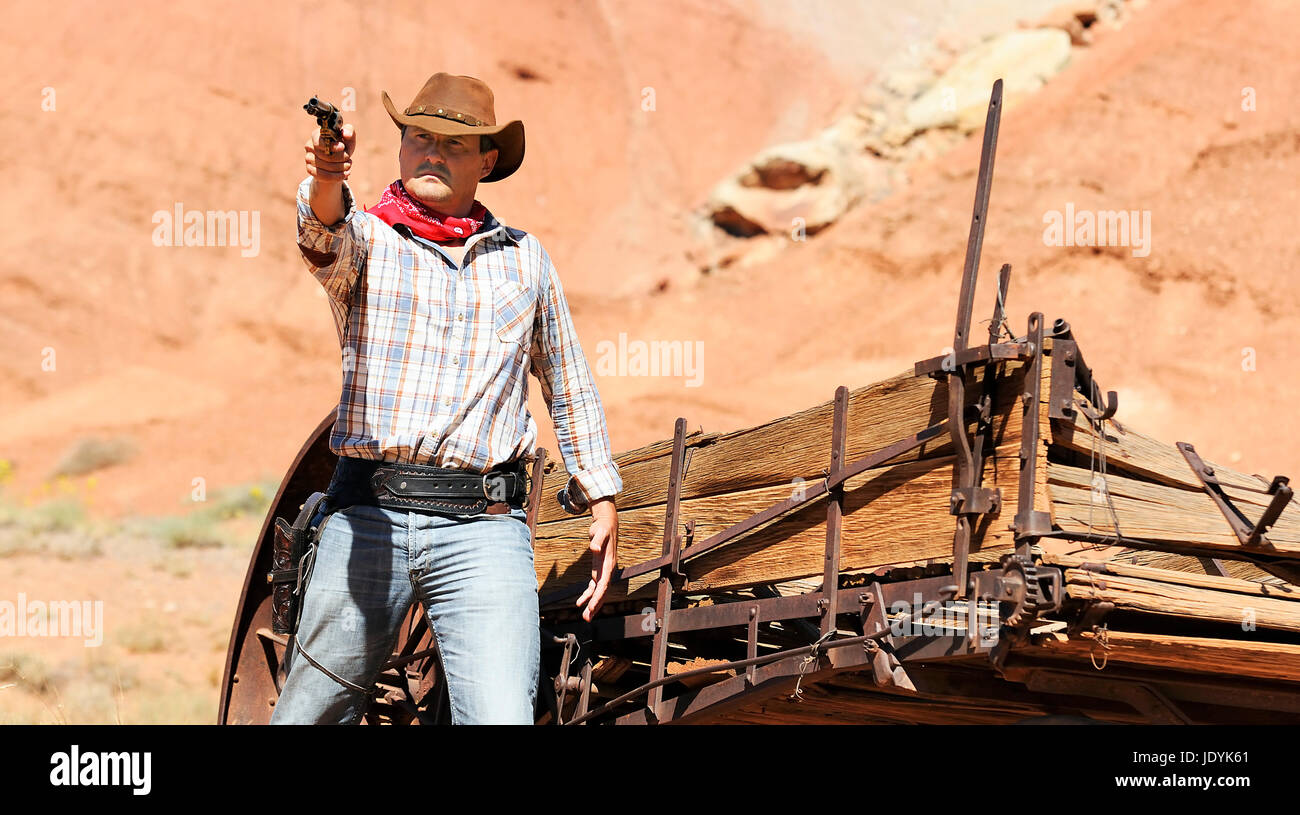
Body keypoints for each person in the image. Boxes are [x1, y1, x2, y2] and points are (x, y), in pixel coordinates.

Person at [270, 73, 621, 725]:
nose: (432, 153)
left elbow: (566, 376)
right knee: (310, 714)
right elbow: (321, 232)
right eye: (420, 137)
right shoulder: (369, 242)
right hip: (368, 517)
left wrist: (598, 490)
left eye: (454, 145)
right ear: (401, 148)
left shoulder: (525, 260)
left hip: (485, 529)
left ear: (487, 162)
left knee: (498, 716)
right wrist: (326, 175)